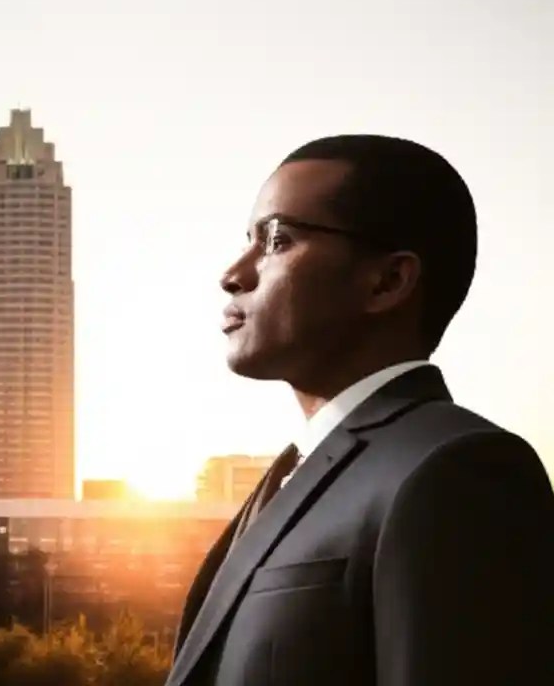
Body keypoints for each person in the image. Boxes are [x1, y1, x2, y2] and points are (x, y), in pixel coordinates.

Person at [166, 135, 554, 686]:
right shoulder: (295, 474)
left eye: (277, 240)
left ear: (388, 280)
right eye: (247, 240)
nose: (234, 273)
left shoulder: (457, 470)